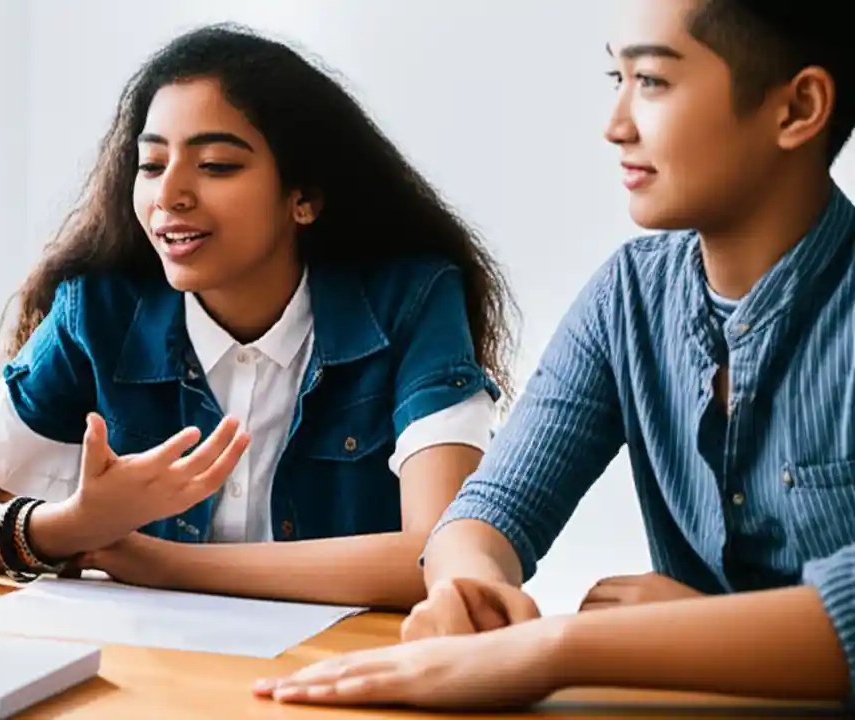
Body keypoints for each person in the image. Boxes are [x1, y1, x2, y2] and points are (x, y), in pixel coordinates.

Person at [256, 0, 855, 708]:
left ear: (799, 108)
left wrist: (554, 648)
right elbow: (488, 510)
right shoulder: (628, 295)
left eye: (655, 83)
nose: (616, 125)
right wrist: (467, 588)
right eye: (617, 78)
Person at [0, 24, 514, 610]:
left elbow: (444, 555)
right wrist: (71, 524)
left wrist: (156, 562)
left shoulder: (409, 301)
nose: (169, 194)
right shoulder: (98, 312)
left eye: (216, 165)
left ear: (304, 197)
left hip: (336, 677)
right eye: (150, 165)